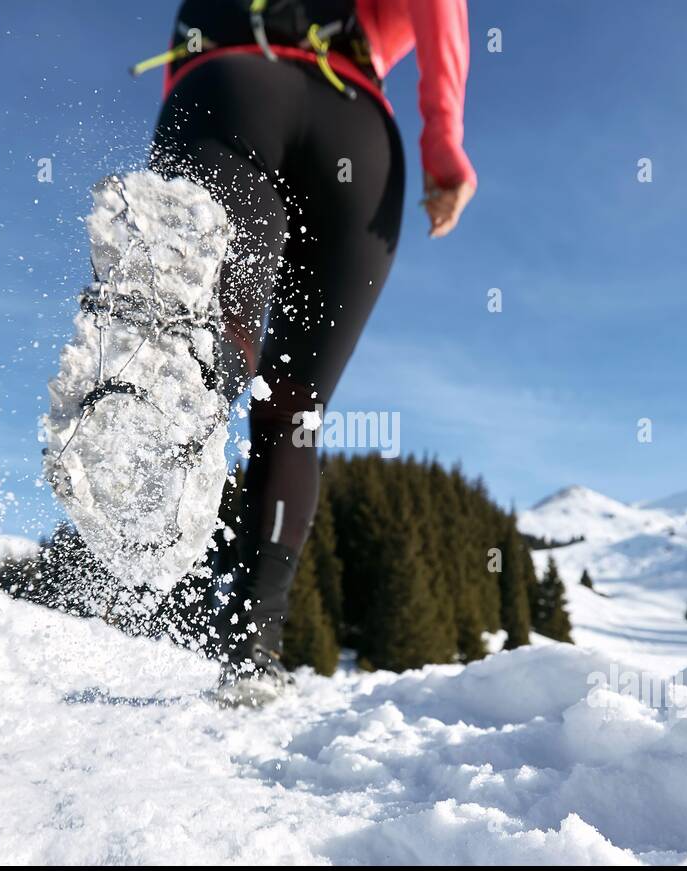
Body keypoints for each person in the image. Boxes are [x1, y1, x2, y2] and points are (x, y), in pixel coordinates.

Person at [139, 0, 477, 687]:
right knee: (294, 413)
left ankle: (153, 350)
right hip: (356, 132)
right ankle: (253, 647)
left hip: (229, 93)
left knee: (207, 346)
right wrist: (443, 141)